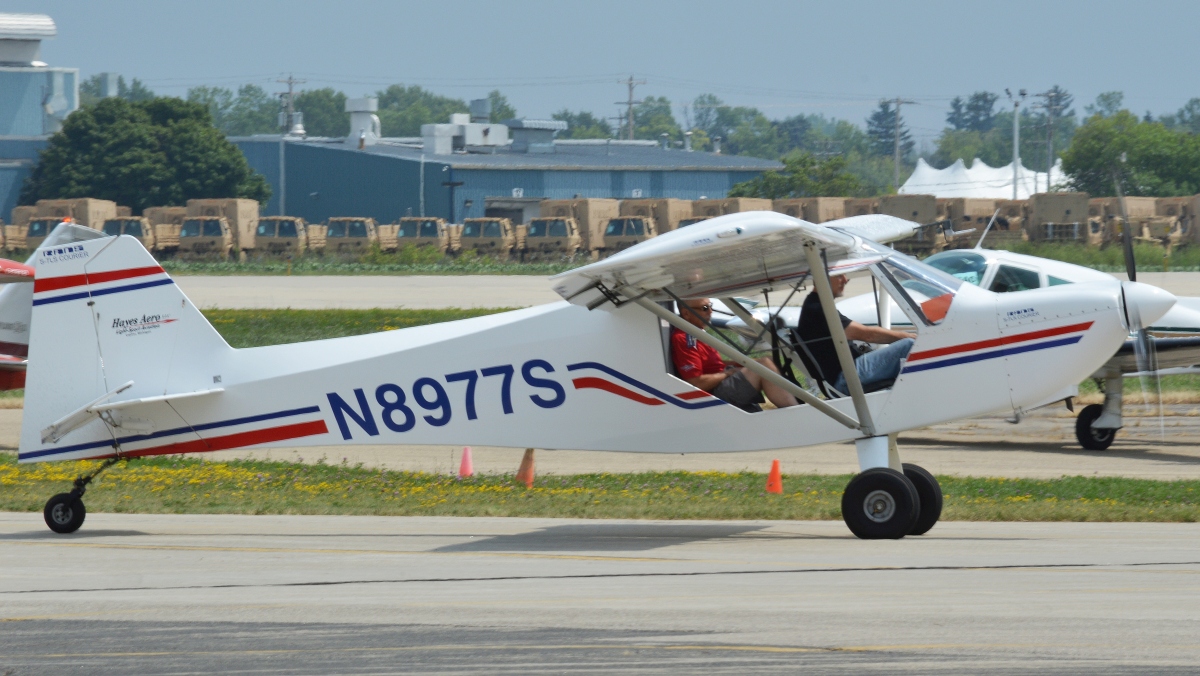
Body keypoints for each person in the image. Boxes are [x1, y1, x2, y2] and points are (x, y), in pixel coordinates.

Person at [796, 274, 914, 395]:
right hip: (845, 378)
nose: (846, 280)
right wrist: (913, 336)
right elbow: (867, 335)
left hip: (846, 374)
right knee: (909, 345)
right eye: (839, 276)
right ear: (821, 277)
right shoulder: (817, 309)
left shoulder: (817, 304)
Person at [670, 298, 797, 411]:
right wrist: (728, 373)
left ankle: (795, 405)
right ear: (686, 314)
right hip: (715, 392)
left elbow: (710, 364)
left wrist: (745, 363)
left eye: (711, 306)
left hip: (721, 383)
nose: (710, 312)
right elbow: (696, 382)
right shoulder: (684, 339)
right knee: (763, 365)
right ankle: (794, 410)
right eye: (705, 308)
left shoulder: (695, 334)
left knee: (766, 360)